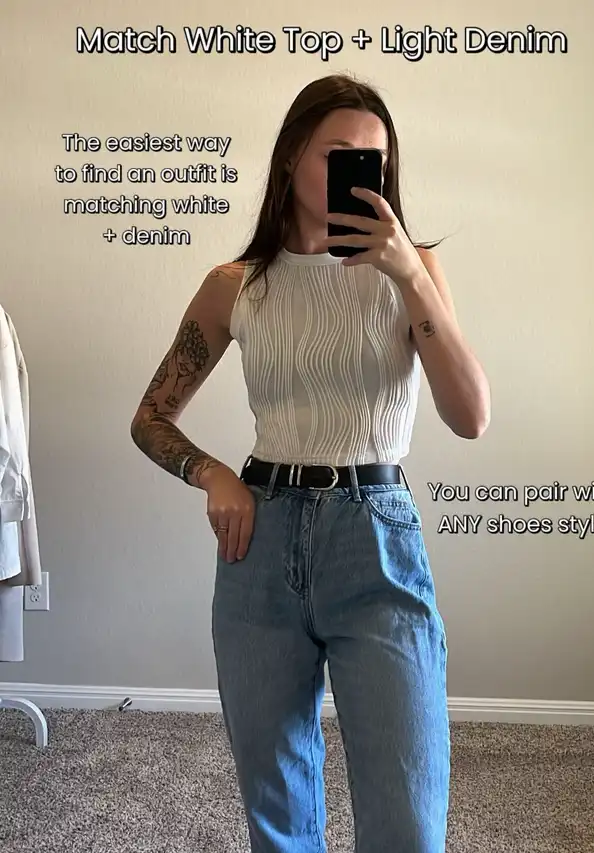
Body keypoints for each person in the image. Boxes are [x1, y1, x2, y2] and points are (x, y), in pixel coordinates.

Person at [131, 73, 490, 853]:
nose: (360, 173)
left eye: (374, 160)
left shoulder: (417, 273)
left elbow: (471, 417)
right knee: (278, 808)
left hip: (376, 537)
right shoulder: (235, 287)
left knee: (408, 817)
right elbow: (150, 418)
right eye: (339, 153)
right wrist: (214, 474)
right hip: (260, 540)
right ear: (292, 154)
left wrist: (406, 273)